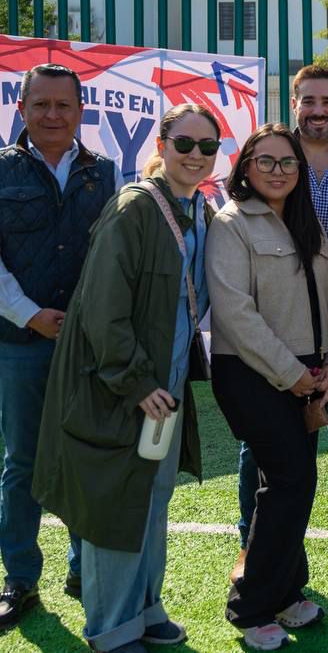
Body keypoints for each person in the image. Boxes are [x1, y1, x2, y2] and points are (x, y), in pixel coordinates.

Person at [32, 104, 218, 652]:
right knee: (116, 507)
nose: (195, 156)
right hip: (120, 388)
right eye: (184, 144)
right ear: (161, 145)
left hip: (163, 386)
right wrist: (135, 383)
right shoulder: (134, 207)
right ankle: (112, 629)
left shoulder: (197, 208)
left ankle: (145, 608)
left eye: (207, 147)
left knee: (151, 502)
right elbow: (103, 311)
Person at [206, 124, 328, 651]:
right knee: (287, 482)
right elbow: (235, 314)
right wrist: (292, 375)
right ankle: (250, 607)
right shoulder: (231, 224)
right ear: (245, 167)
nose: (277, 171)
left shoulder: (309, 224)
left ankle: (287, 593)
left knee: (297, 483)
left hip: (310, 375)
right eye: (265, 161)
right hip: (253, 374)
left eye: (287, 162)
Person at [234, 65, 328, 580]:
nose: (318, 110)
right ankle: (253, 540)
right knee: (262, 441)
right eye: (308, 100)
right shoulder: (273, 160)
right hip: (282, 318)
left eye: (327, 101)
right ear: (294, 103)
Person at [0, 63, 117, 625]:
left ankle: (81, 567)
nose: (52, 115)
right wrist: (30, 315)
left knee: (82, 455)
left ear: (80, 112)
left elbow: (116, 259)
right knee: (23, 463)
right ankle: (20, 580)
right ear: (21, 110)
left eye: (63, 105)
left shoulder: (106, 175)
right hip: (19, 343)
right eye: (40, 104)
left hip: (89, 346)